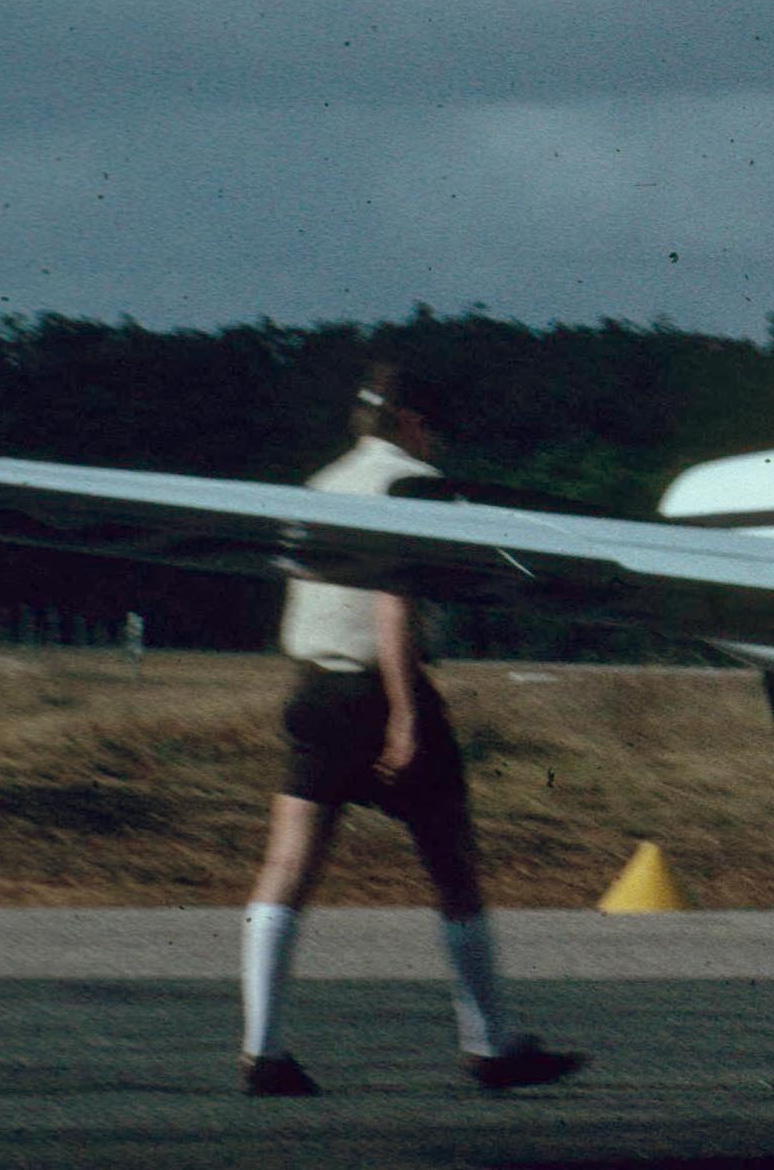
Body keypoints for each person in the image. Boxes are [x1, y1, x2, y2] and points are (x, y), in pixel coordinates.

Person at [234, 370, 586, 1097]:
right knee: (453, 867)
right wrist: (407, 714)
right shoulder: (417, 486)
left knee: (287, 866)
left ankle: (261, 1046)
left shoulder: (320, 482)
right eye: (433, 427)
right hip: (379, 687)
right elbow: (395, 601)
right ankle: (489, 1041)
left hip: (314, 687)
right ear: (413, 422)